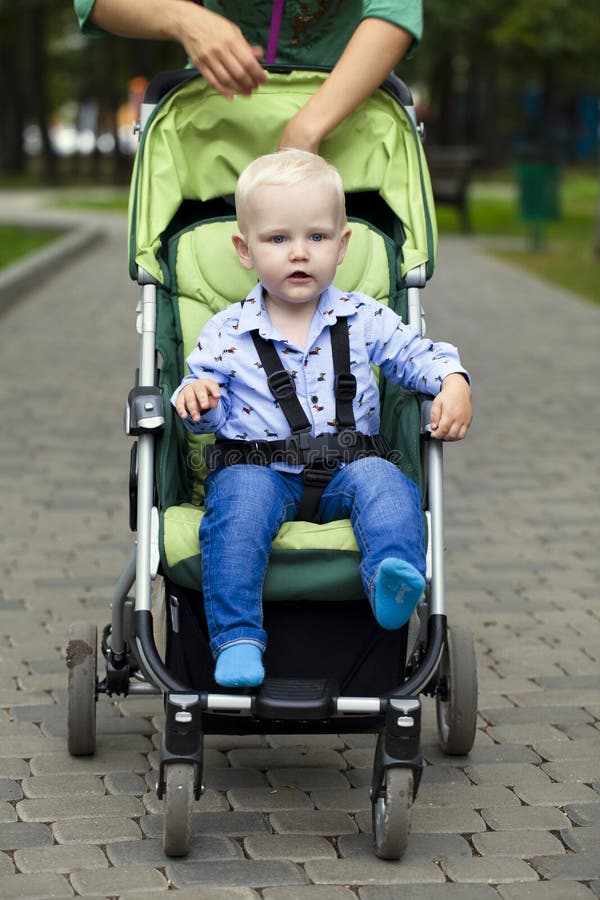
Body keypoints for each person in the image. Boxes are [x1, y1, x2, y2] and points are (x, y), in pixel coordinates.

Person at [172, 150, 472, 688]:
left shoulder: (364, 317)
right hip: (255, 468)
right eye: (278, 239)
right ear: (244, 249)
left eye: (316, 237)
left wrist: (453, 381)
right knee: (235, 515)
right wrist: (199, 398)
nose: (299, 254)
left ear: (342, 244)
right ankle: (237, 638)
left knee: (390, 486)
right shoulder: (226, 331)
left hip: (350, 465)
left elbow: (416, 356)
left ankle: (389, 578)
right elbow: (199, 414)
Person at [74, 0, 422, 151]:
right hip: (218, 133)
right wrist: (182, 18)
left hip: (347, 128)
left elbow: (394, 14)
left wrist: (305, 130)